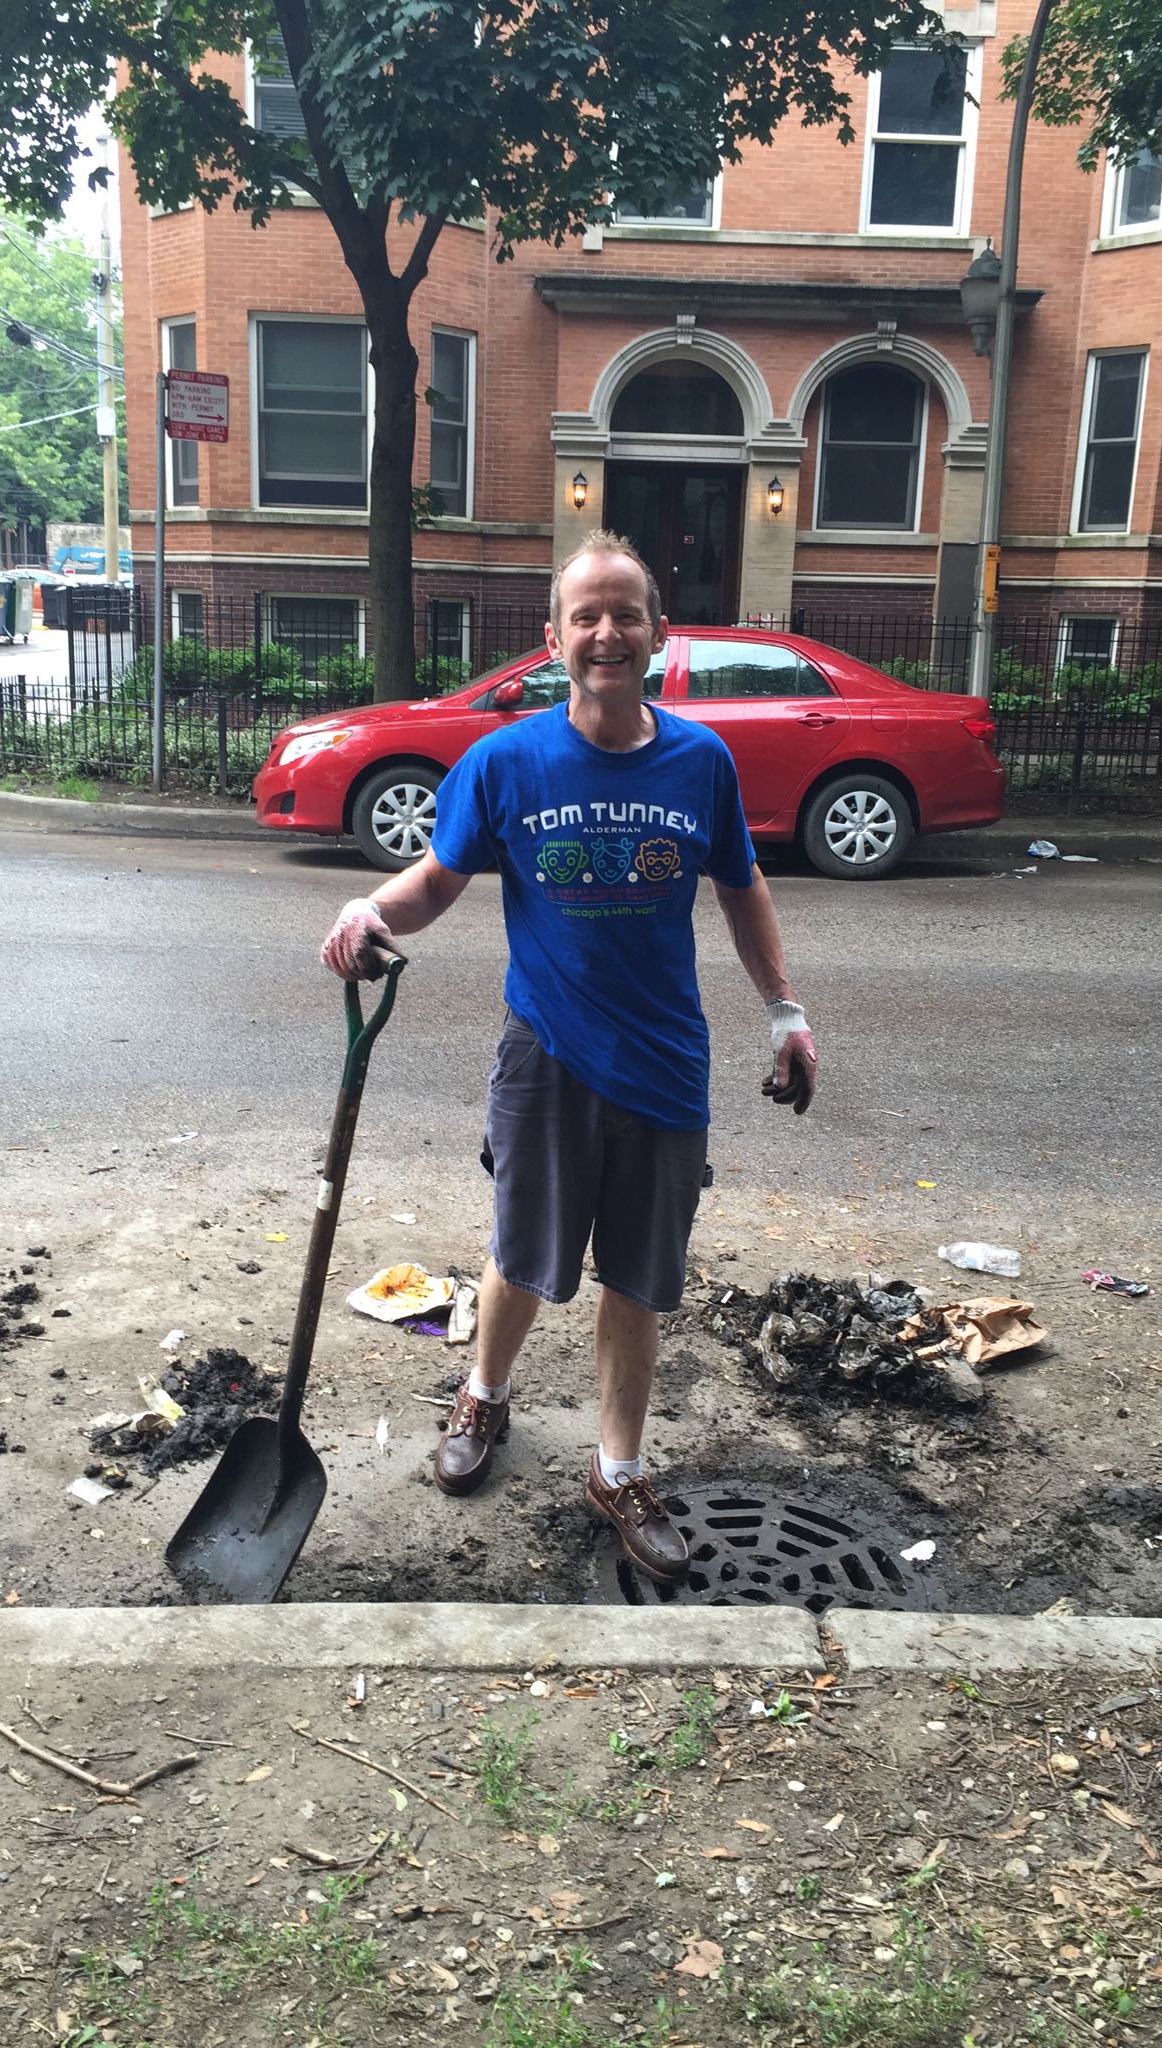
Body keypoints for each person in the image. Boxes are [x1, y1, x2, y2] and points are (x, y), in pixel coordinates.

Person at [321, 531, 817, 1583]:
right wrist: (370, 904)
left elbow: (741, 884)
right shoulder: (505, 760)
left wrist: (783, 1010)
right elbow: (439, 879)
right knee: (521, 1250)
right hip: (544, 1049)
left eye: (624, 613)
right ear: (553, 639)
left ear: (657, 633)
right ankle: (484, 1397)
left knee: (638, 1274)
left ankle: (619, 1467)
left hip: (668, 1061)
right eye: (585, 615)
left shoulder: (702, 761)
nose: (606, 631)